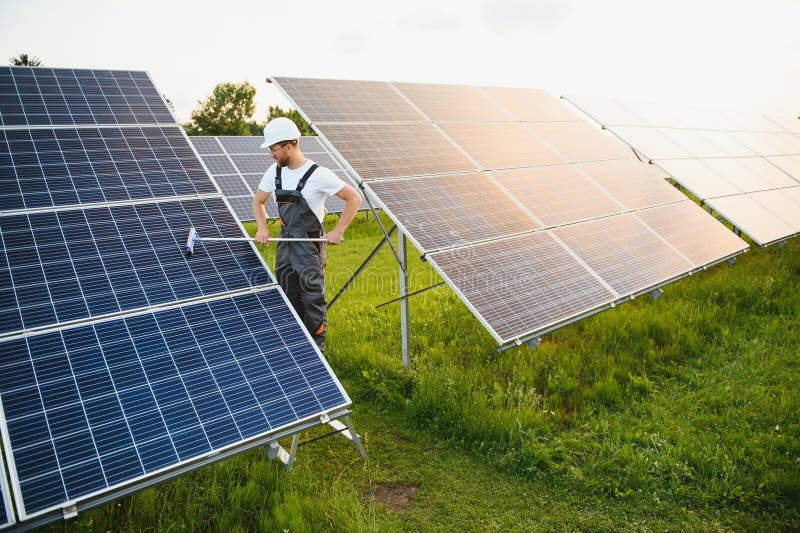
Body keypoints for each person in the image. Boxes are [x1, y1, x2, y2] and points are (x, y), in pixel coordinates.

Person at [253, 117, 361, 353]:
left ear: (289, 147)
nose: (271, 154)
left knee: (312, 298)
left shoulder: (318, 174)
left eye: (273, 149)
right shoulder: (274, 172)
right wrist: (262, 228)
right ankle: (292, 347)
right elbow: (258, 201)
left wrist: (338, 230)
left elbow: (353, 198)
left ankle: (316, 350)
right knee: (286, 296)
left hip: (309, 247)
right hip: (285, 245)